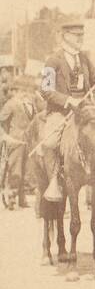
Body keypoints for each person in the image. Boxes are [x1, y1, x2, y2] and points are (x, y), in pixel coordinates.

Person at [39, 18, 95, 201]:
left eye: (82, 35)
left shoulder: (84, 58)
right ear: (65, 36)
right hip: (60, 111)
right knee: (49, 143)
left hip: (85, 110)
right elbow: (45, 90)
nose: (80, 38)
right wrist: (68, 100)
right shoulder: (52, 61)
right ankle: (54, 181)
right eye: (76, 35)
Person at [0, 75, 37, 208]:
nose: (25, 92)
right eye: (21, 90)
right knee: (15, 170)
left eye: (26, 90)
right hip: (15, 140)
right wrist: (6, 136)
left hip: (28, 141)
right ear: (15, 91)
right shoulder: (11, 104)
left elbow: (34, 120)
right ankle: (11, 198)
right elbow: (1, 121)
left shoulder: (30, 103)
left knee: (26, 170)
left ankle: (22, 199)